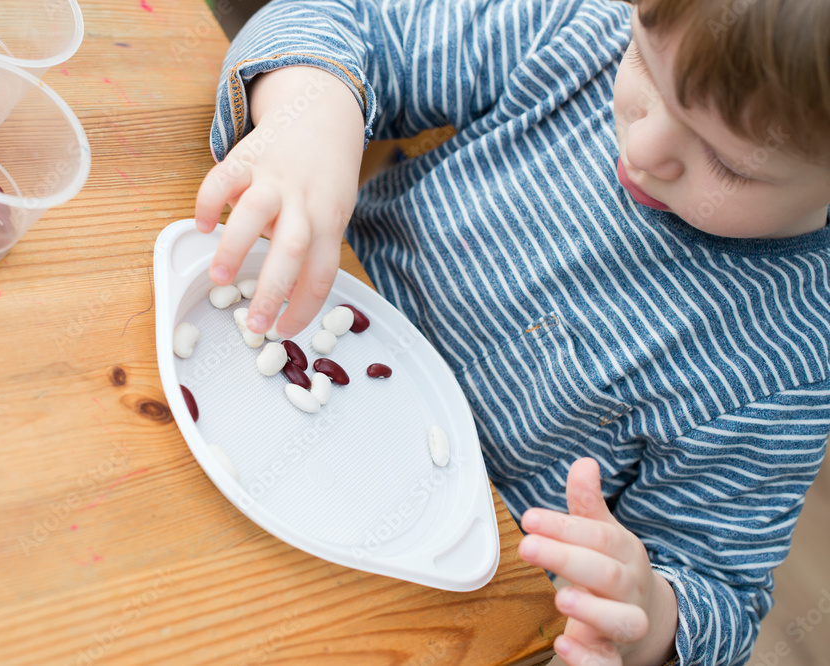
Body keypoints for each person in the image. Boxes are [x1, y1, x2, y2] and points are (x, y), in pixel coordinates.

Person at [193, 0, 830, 663]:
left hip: (409, 591)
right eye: (644, 61)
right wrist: (313, 108)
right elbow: (348, 23)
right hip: (257, 341)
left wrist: (648, 616)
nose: (642, 147)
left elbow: (719, 592)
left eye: (729, 164)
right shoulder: (580, 31)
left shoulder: (787, 368)